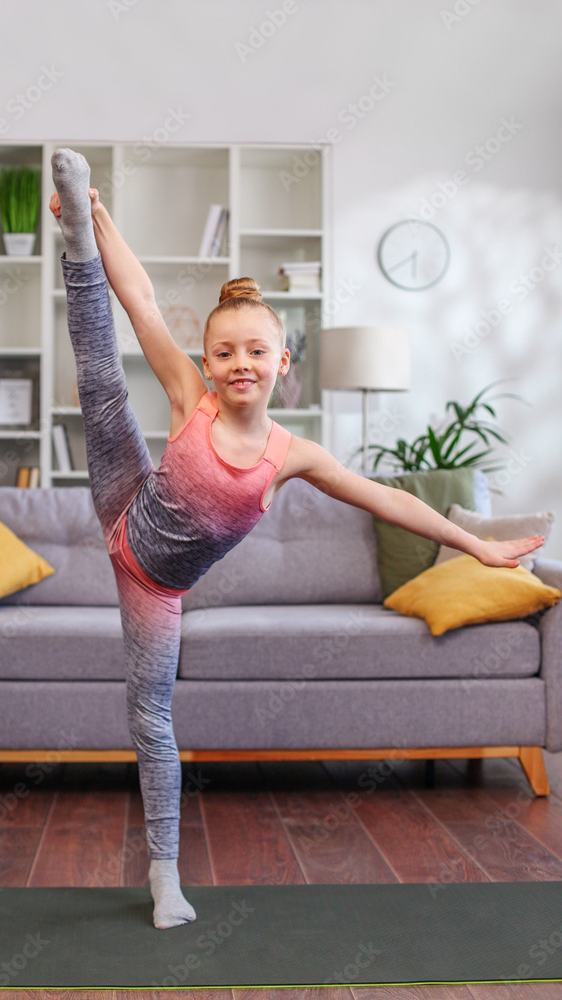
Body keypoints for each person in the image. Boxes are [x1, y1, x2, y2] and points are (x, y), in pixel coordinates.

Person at [49, 148, 545, 930]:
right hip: (126, 498)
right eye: (222, 352)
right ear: (206, 365)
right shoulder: (192, 401)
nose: (238, 363)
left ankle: (163, 874)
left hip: (155, 587)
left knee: (150, 718)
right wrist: (101, 216)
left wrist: (475, 545)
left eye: (255, 351)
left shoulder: (292, 458)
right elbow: (141, 299)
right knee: (99, 371)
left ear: (283, 362)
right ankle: (73, 222)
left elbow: (387, 497)